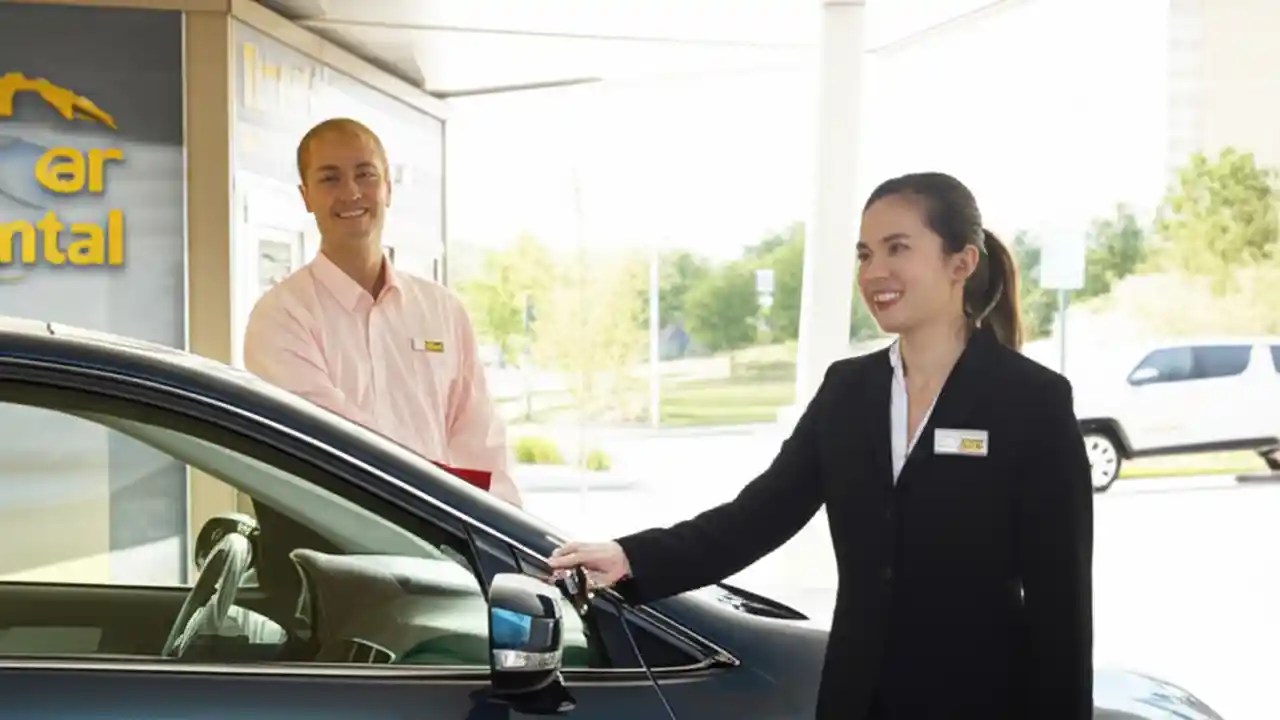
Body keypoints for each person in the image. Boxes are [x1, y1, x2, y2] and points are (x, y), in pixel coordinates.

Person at [549, 171, 1093, 719]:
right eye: (864, 254)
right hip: (856, 702)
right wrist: (630, 557)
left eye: (897, 248)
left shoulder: (1030, 402)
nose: (875, 271)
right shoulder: (847, 392)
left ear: (962, 262)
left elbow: (1062, 609)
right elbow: (755, 518)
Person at [243, 117, 521, 508]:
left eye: (365, 174)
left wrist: (501, 529)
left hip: (445, 548)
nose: (351, 192)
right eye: (330, 178)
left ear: (387, 186)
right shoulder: (281, 317)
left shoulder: (442, 309)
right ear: (306, 196)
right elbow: (332, 443)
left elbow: (481, 439)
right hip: (334, 550)